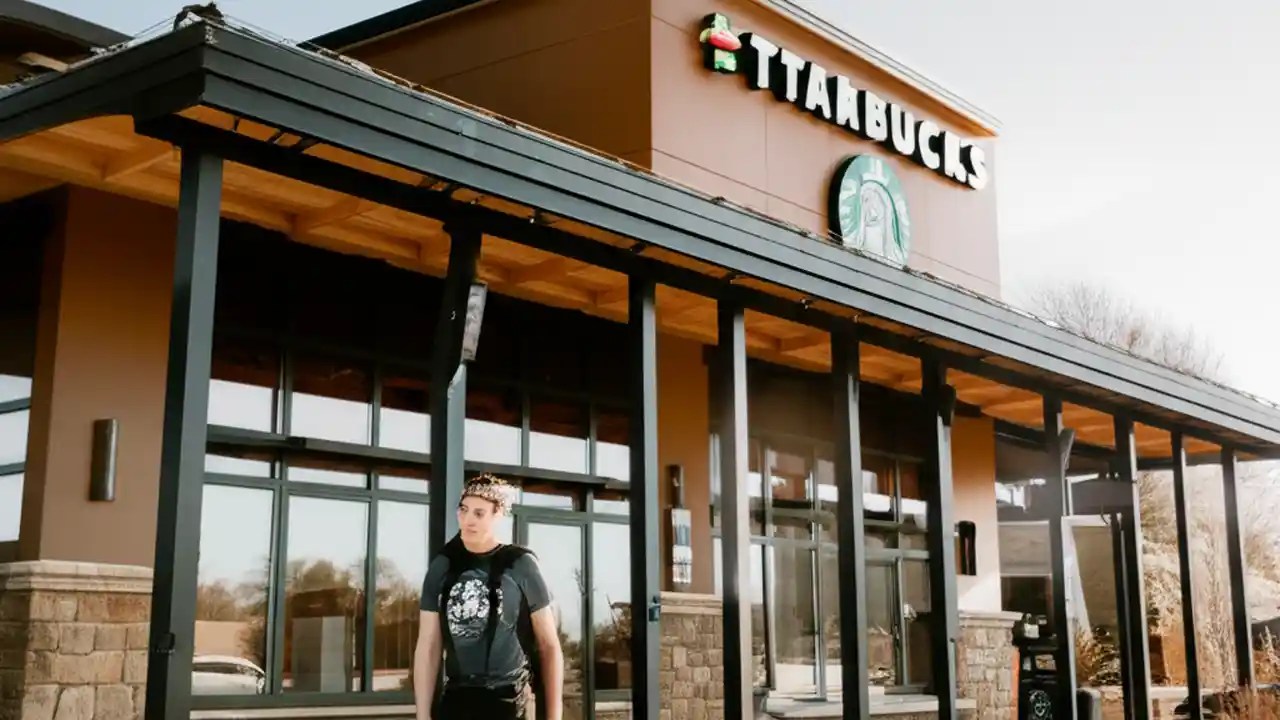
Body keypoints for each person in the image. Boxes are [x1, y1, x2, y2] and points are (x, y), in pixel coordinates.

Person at [413, 474, 564, 720]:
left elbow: (549, 645)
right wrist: (422, 714)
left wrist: (554, 716)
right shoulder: (443, 565)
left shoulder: (520, 564)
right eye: (463, 510)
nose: (468, 520)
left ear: (497, 515)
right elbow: (428, 645)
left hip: (508, 700)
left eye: (479, 513)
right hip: (457, 699)